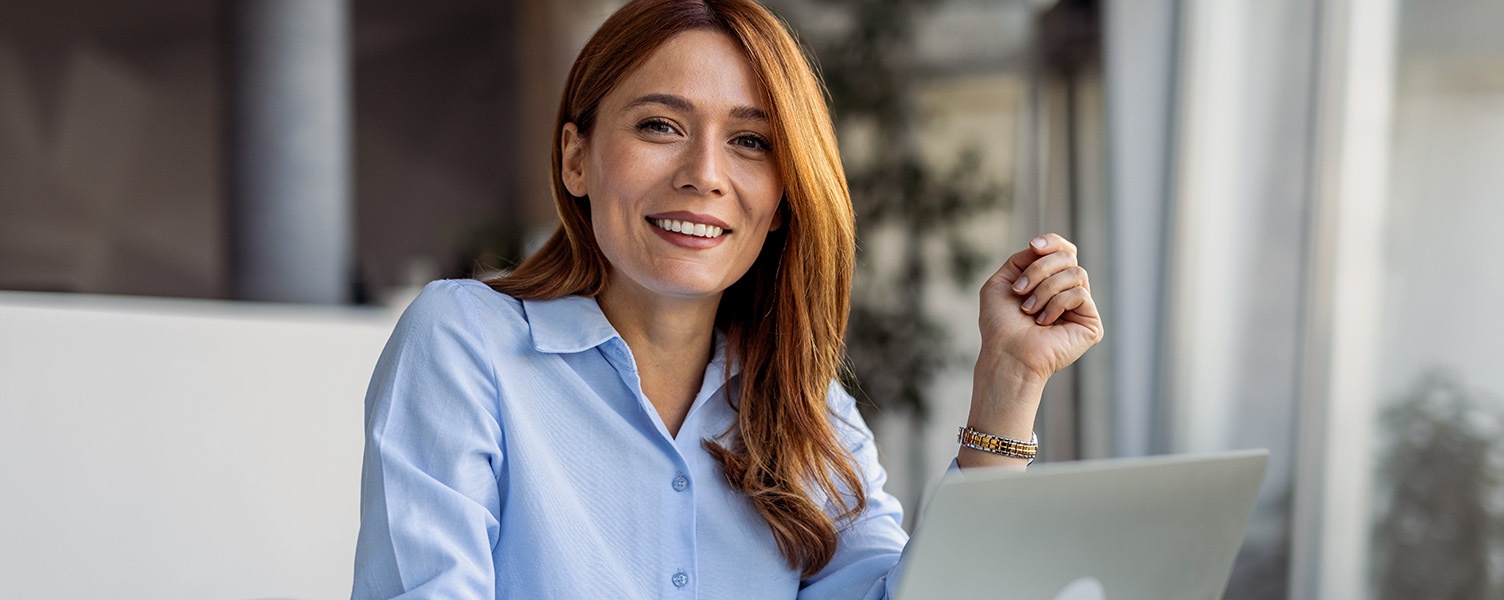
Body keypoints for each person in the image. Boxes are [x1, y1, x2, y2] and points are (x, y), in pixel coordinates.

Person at [350, 0, 1102, 597]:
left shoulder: (812, 416)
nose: (704, 173)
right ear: (576, 158)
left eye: (751, 141)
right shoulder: (466, 341)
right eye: (660, 126)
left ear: (781, 197)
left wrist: (1009, 383)